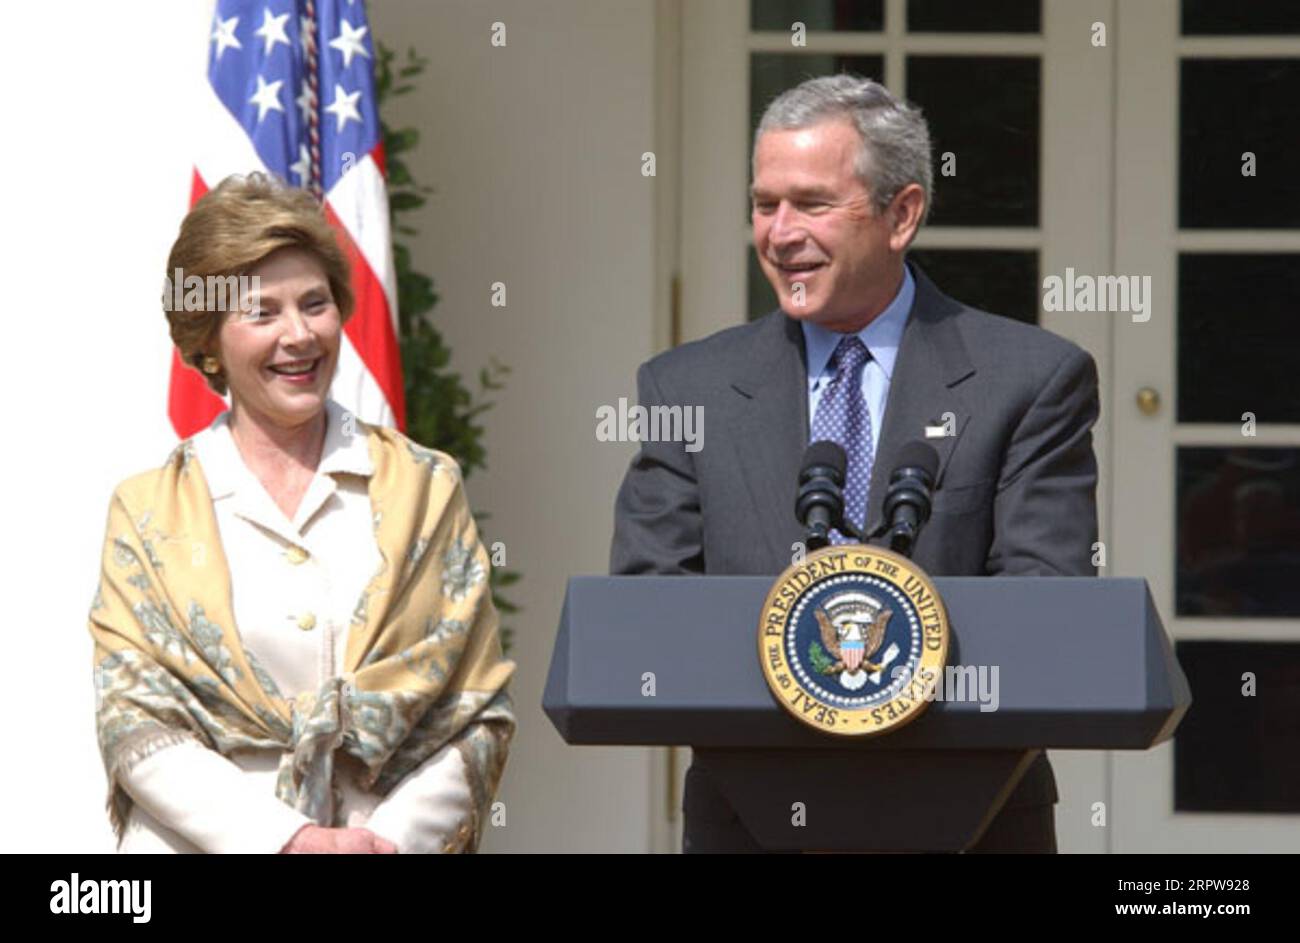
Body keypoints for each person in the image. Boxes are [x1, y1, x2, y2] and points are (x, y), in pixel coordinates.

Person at [610, 75, 1099, 853]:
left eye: (811, 203)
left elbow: (1044, 603)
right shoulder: (684, 387)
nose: (779, 232)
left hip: (972, 815)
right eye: (764, 204)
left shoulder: (1031, 379)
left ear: (901, 214)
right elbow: (649, 605)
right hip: (750, 816)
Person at [89, 172, 515, 854]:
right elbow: (134, 720)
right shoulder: (147, 512)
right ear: (209, 339)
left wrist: (378, 843)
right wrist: (289, 839)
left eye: (315, 304)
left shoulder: (426, 487)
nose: (300, 335)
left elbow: (475, 711)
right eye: (263, 313)